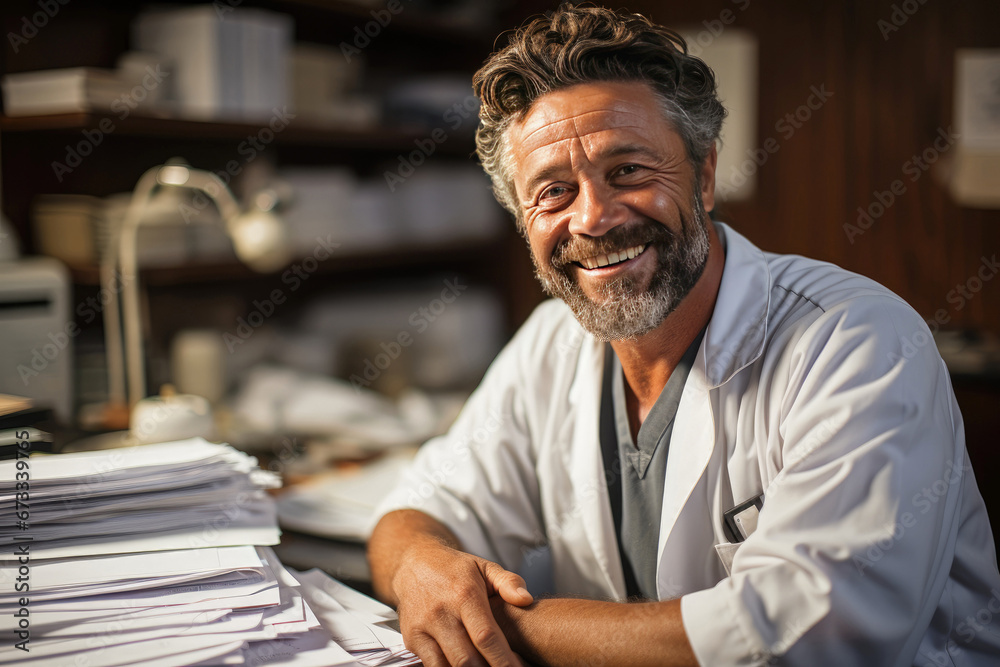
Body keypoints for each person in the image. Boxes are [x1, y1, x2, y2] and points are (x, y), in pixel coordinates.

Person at [367, 4, 1000, 666]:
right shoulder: (552, 341)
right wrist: (422, 567)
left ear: (703, 175)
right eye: (552, 191)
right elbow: (416, 509)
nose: (594, 219)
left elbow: (821, 634)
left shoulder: (858, 340)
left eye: (629, 171)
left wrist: (502, 624)